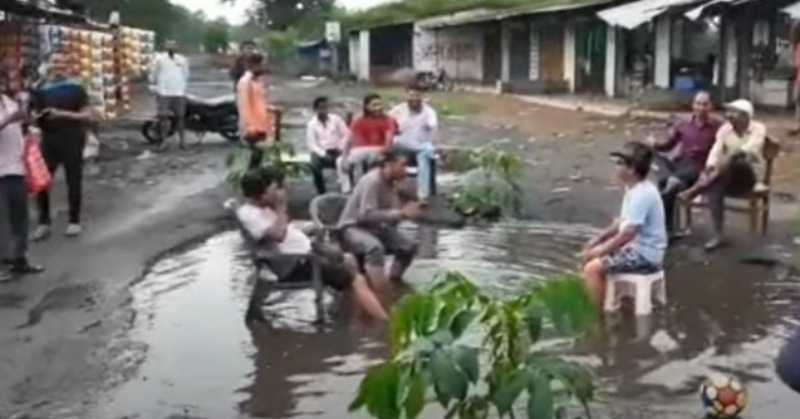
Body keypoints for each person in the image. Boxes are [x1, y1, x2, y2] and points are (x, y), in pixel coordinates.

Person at [235, 168, 387, 321]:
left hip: (305, 257)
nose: (278, 193)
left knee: (349, 259)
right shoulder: (250, 214)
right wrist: (281, 206)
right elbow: (279, 235)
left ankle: (355, 315)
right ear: (260, 194)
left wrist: (306, 228)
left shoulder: (261, 209)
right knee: (355, 277)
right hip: (296, 264)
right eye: (273, 189)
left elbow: (282, 230)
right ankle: (383, 323)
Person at [580, 142, 667, 307]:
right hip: (636, 250)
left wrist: (601, 250)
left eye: (620, 164)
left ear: (632, 169)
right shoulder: (634, 189)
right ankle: (604, 300)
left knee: (592, 268)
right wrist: (598, 239)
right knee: (588, 255)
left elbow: (628, 233)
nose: (616, 168)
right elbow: (622, 220)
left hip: (645, 256)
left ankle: (596, 319)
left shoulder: (642, 194)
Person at [678, 99, 767, 250]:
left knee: (736, 159)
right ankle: (718, 235)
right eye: (728, 112)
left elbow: (750, 149)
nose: (729, 115)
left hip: (750, 176)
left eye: (734, 112)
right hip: (727, 176)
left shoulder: (758, 128)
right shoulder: (725, 129)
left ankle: (697, 189)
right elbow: (716, 149)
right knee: (715, 189)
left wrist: (726, 160)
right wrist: (710, 165)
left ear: (746, 116)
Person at [31, 53, 95, 240]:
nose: (57, 65)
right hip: (49, 138)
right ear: (48, 64)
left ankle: (74, 221)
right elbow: (34, 113)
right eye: (54, 62)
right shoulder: (41, 88)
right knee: (42, 181)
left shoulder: (76, 87)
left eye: (61, 62)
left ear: (66, 64)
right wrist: (37, 119)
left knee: (73, 179)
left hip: (72, 137)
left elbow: (88, 115)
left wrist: (62, 114)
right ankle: (44, 223)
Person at [338, 148, 421, 291]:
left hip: (377, 227)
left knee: (409, 246)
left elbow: (392, 218)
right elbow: (365, 215)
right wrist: (400, 213)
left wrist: (406, 205)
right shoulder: (373, 181)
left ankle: (394, 282)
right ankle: (380, 293)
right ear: (389, 164)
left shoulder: (393, 183)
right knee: (375, 248)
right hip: (353, 227)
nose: (405, 169)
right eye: (402, 165)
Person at [647, 91, 721, 238]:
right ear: (693, 105)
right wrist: (655, 145)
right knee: (653, 158)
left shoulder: (717, 127)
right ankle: (669, 181)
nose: (700, 108)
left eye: (704, 104)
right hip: (679, 164)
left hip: (698, 168)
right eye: (698, 104)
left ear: (711, 106)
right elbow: (669, 146)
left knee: (670, 185)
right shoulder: (684, 125)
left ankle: (665, 227)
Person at [0, 91, 42, 276]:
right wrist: (9, 119)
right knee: (3, 221)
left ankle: (20, 259)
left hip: (16, 166)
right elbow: (8, 122)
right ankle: (4, 264)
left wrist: (27, 116)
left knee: (20, 217)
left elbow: (23, 125)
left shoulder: (9, 100)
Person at [389, 84, 438, 201]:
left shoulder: (429, 112)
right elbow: (386, 122)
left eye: (417, 95)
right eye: (412, 95)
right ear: (407, 96)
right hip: (400, 147)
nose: (414, 98)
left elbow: (433, 127)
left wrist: (428, 126)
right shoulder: (398, 110)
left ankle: (422, 195)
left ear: (422, 97)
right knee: (426, 149)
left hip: (419, 149)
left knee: (424, 156)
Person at [342, 93, 395, 192]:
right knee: (347, 160)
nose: (378, 108)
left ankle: (366, 188)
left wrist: (383, 153)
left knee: (367, 160)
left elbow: (389, 140)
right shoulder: (358, 120)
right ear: (367, 107)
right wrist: (344, 158)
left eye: (379, 104)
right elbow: (348, 140)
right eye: (374, 105)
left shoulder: (387, 119)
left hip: (379, 148)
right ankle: (350, 190)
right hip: (361, 150)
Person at [150, 39, 189, 149]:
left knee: (180, 117)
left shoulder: (182, 60)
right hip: (164, 92)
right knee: (163, 118)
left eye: (173, 45)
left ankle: (182, 142)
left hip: (178, 92)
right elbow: (154, 74)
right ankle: (164, 142)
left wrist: (182, 86)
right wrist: (155, 86)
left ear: (176, 47)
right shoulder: (159, 59)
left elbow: (186, 75)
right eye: (169, 45)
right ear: (165, 47)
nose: (171, 47)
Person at [237, 53, 273, 170]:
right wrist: (249, 127)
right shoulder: (245, 82)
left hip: (261, 124)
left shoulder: (258, 81)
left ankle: (256, 185)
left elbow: (259, 102)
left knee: (259, 158)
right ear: (253, 65)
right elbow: (244, 106)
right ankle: (251, 185)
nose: (264, 67)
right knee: (253, 159)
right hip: (252, 127)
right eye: (262, 65)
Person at [306, 96, 349, 194]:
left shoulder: (336, 119)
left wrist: (341, 147)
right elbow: (312, 144)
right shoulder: (312, 124)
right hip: (322, 151)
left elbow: (346, 134)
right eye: (321, 108)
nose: (323, 110)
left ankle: (346, 188)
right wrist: (323, 154)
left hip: (337, 149)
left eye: (325, 107)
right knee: (314, 164)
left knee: (347, 160)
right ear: (315, 110)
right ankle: (321, 191)